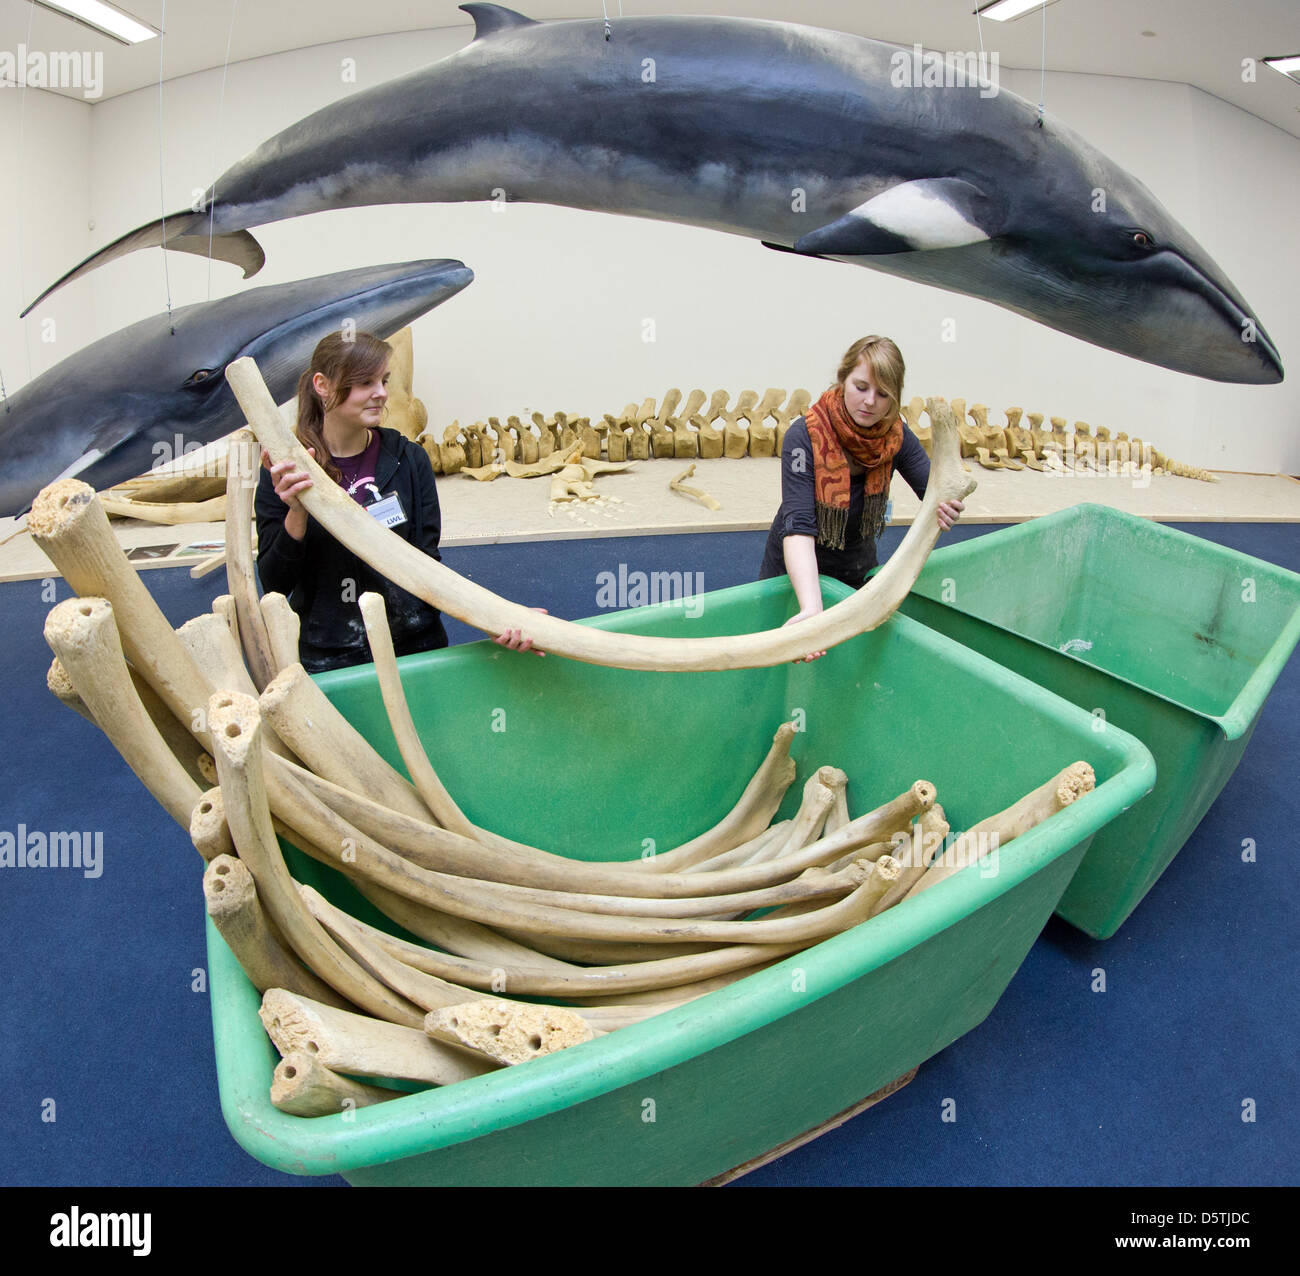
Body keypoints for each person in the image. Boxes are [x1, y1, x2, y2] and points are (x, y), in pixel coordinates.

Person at [256, 330, 537, 672]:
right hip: (330, 659)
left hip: (415, 649)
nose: (381, 394)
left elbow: (426, 566)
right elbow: (275, 583)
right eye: (365, 383)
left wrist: (496, 619)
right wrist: (296, 513)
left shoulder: (409, 460)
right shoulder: (287, 470)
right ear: (322, 384)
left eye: (384, 380)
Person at [758, 335, 964, 661]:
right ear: (842, 379)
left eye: (883, 394)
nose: (870, 401)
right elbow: (798, 527)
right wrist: (811, 607)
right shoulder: (803, 436)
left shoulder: (895, 436)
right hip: (794, 570)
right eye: (861, 387)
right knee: (778, 658)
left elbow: (934, 492)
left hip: (855, 570)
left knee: (845, 661)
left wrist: (947, 506)